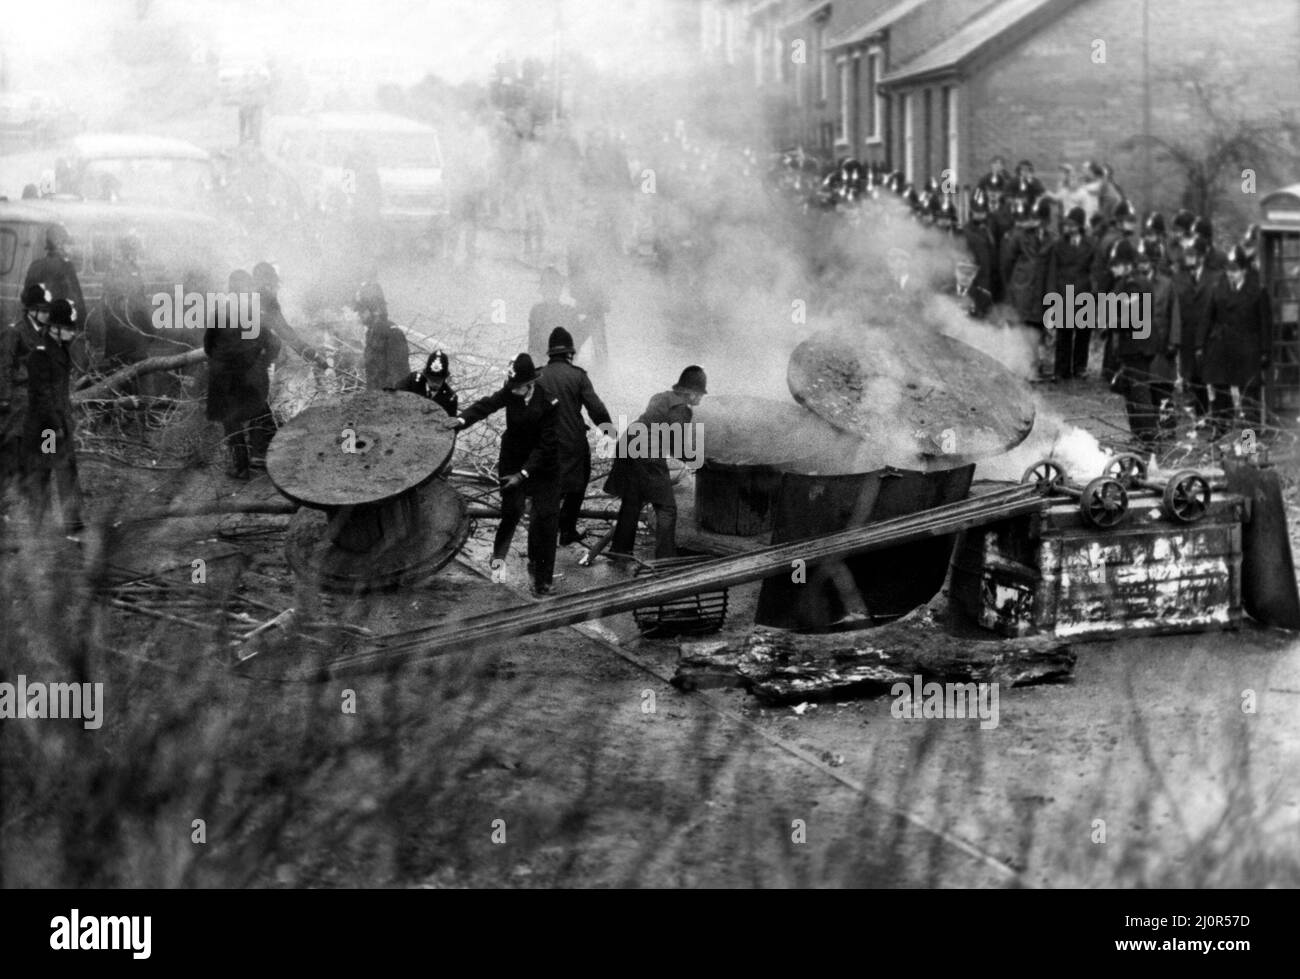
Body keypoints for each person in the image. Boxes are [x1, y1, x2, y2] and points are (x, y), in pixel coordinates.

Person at [454, 353, 562, 596]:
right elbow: (486, 405)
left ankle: (542, 580)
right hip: (513, 460)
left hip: (543, 466)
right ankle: (497, 568)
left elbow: (546, 447)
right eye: (511, 387)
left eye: (518, 388)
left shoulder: (549, 403)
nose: (512, 392)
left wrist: (523, 475)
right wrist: (461, 421)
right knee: (511, 513)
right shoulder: (511, 390)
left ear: (530, 384)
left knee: (545, 519)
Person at [604, 365, 706, 561]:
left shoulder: (661, 397)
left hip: (628, 444)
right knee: (666, 507)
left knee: (632, 502)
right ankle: (665, 560)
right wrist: (698, 459)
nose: (701, 398)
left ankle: (619, 552)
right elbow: (676, 447)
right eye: (700, 393)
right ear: (691, 393)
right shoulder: (681, 410)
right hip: (646, 453)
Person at [539, 326, 612, 547]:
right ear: (570, 354)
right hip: (573, 443)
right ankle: (567, 530)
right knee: (577, 484)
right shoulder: (578, 376)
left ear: (550, 354)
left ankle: (544, 534)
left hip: (544, 443)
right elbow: (596, 409)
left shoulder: (536, 376)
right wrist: (610, 432)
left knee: (547, 487)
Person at [204, 269, 281, 479]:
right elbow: (274, 343)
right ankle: (281, 456)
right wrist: (263, 363)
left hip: (226, 378)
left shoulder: (220, 313)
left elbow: (208, 346)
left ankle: (241, 466)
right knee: (261, 413)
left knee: (230, 419)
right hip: (250, 377)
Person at [23, 298, 85, 534]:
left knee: (66, 467)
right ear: (56, 328)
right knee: (45, 468)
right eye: (69, 329)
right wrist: (57, 425)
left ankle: (72, 520)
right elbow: (43, 396)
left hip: (59, 422)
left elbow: (59, 393)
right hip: (46, 427)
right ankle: (37, 523)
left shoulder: (59, 350)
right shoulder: (41, 354)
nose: (72, 333)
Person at [1200, 245, 1271, 438]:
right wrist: (1202, 345)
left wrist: (1265, 351)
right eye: (1228, 270)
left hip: (1247, 352)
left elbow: (1265, 323)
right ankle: (1221, 439)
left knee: (1248, 403)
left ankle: (1249, 446)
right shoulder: (1217, 289)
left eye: (1235, 271)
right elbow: (1208, 318)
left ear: (1244, 270)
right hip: (1221, 349)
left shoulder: (1257, 291)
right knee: (1220, 399)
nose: (1231, 275)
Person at [0, 284, 53, 497]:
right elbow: (4, 366)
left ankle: (32, 495)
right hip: (19, 400)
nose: (47, 315)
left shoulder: (45, 333)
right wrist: (4, 398)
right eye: (44, 311)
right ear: (31, 309)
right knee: (12, 448)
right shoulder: (15, 332)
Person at [1107, 240, 1160, 448]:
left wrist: (1112, 323)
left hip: (1137, 346)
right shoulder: (1132, 282)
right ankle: (1139, 435)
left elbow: (1134, 317)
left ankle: (1147, 437)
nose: (1113, 269)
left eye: (1116, 264)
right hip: (1134, 346)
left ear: (1127, 264)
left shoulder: (1135, 285)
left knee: (1139, 393)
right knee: (1132, 392)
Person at [1134, 239, 1182, 444]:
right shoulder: (1133, 284)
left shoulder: (1167, 284)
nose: (1142, 265)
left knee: (1163, 389)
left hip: (1162, 347)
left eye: (1145, 261)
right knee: (1144, 390)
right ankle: (1148, 429)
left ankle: (1168, 428)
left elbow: (1175, 314)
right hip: (1141, 345)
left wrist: (1174, 341)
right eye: (1139, 261)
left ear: (1153, 263)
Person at [1000, 197, 1053, 376]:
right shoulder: (1019, 236)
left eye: (1039, 218)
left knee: (1037, 328)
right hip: (1022, 288)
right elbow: (1007, 263)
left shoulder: (1051, 239)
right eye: (1033, 217)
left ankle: (1034, 365)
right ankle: (1017, 365)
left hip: (1040, 291)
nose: (1035, 222)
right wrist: (1016, 283)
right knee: (1020, 327)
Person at [1045, 206, 1095, 379]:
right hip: (1063, 292)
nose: (1069, 228)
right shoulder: (1058, 245)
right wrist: (1051, 295)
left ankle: (1080, 367)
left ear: (1080, 226)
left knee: (1083, 333)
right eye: (1067, 224)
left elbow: (1095, 270)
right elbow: (1052, 270)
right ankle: (1061, 369)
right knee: (1063, 333)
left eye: (1073, 224)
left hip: (1084, 293)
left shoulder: (1091, 245)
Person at [1172, 238, 1217, 425]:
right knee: (1193, 376)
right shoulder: (1179, 277)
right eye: (1187, 255)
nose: (1188, 259)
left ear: (1201, 257)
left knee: (1212, 377)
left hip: (1209, 335)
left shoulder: (1214, 277)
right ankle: (1201, 415)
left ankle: (1219, 419)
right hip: (1188, 335)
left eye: (1192, 255)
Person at [355, 281, 409, 391]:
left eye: (361, 309)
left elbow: (400, 380)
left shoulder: (393, 334)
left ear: (374, 308)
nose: (358, 314)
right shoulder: (371, 333)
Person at [24, 224, 86, 319]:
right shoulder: (67, 267)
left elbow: (25, 297)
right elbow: (77, 301)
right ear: (59, 244)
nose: (69, 247)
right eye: (67, 243)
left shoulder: (35, 266)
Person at [527, 266, 580, 363]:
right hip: (544, 364)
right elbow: (533, 347)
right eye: (548, 288)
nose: (551, 291)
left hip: (563, 365)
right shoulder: (537, 311)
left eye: (553, 287)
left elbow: (576, 346)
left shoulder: (569, 312)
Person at [397, 348, 459, 417]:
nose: (435, 383)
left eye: (438, 380)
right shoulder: (412, 381)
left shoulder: (450, 398)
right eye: (432, 379)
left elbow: (450, 421)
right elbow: (396, 397)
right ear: (426, 376)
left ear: (444, 379)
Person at [963, 188, 999, 301]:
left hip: (992, 280)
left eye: (982, 212)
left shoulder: (993, 226)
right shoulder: (966, 231)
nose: (980, 215)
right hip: (975, 281)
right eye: (977, 212)